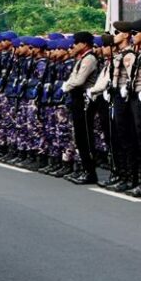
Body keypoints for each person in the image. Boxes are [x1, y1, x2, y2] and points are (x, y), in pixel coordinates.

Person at [62, 32, 102, 185]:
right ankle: (85, 169)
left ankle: (90, 172)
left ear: (84, 44)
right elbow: (74, 76)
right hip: (77, 99)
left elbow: (79, 80)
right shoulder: (82, 58)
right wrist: (68, 85)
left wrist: (66, 87)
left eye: (77, 43)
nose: (74, 46)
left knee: (85, 136)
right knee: (79, 136)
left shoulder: (90, 58)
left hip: (85, 100)